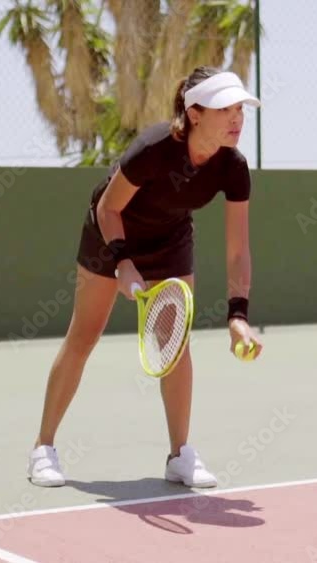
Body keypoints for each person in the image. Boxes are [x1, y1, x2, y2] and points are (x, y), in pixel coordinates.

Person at [26, 66, 264, 489]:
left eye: (240, 109)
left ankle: (180, 455)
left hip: (170, 240)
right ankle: (43, 448)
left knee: (175, 345)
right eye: (225, 109)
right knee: (84, 335)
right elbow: (108, 208)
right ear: (194, 114)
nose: (237, 119)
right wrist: (122, 263)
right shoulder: (154, 148)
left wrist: (238, 315)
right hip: (110, 233)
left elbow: (238, 249)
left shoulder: (233, 167)